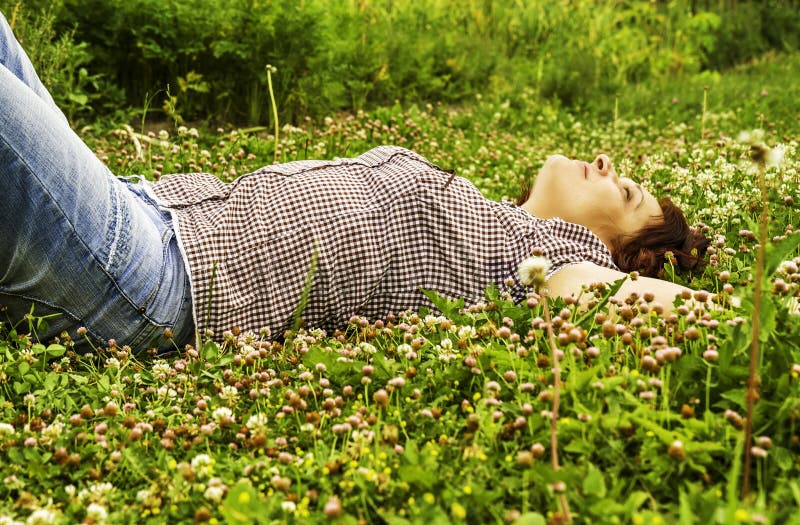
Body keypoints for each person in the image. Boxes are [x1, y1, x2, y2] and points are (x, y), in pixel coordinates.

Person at [0, 12, 709, 355]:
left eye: (625, 194)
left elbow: (696, 316)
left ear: (616, 253)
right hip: (142, 205)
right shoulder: (491, 216)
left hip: (151, 281)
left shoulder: (550, 267)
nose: (607, 164)